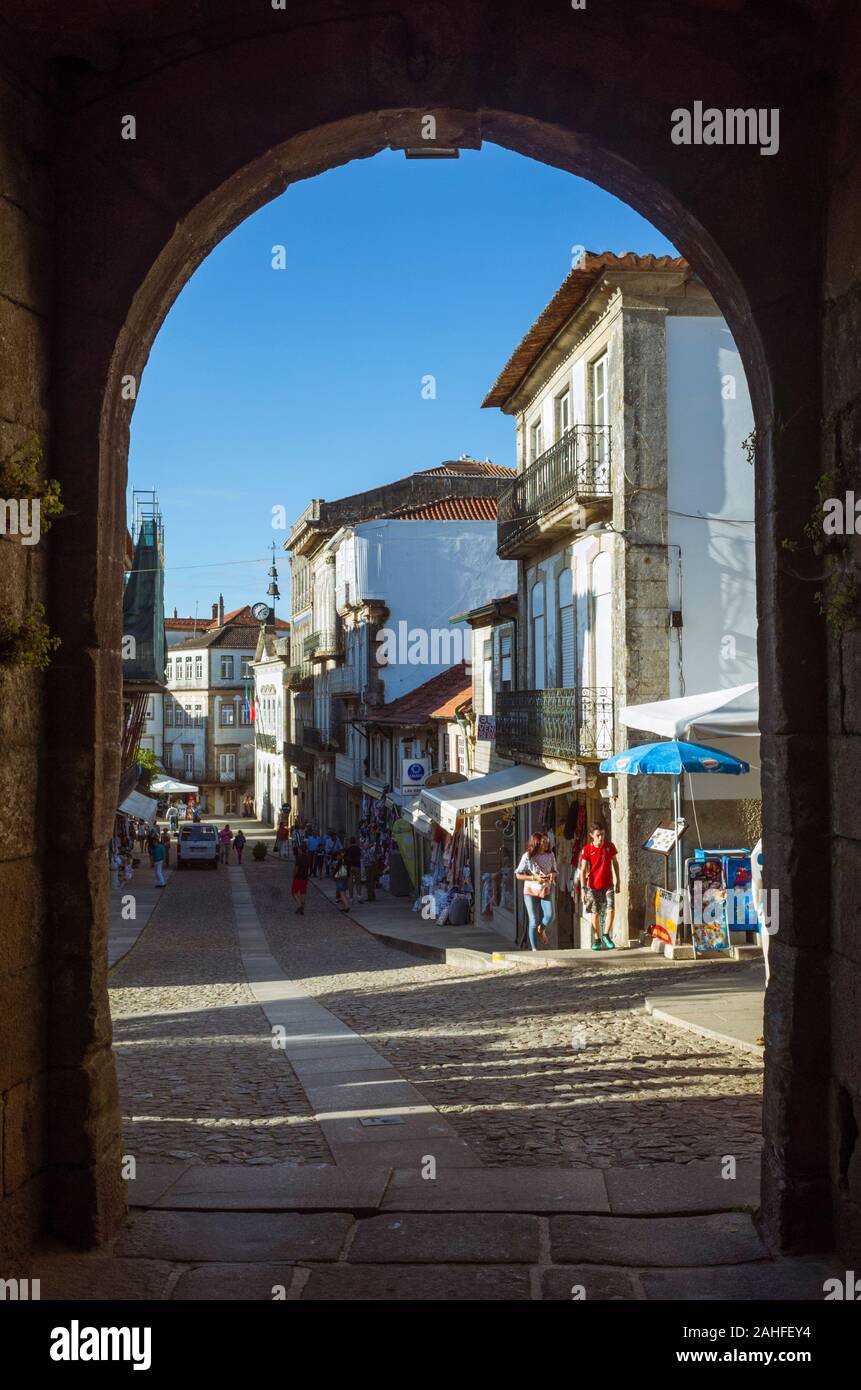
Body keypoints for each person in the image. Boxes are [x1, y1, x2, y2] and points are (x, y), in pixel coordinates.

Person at [579, 823, 620, 950]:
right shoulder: (587, 849)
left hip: (608, 884)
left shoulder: (610, 846)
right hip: (593, 886)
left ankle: (606, 935)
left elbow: (615, 863)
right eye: (598, 835)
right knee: (595, 912)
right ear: (592, 836)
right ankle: (597, 938)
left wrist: (618, 880)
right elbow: (583, 870)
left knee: (611, 908)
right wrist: (583, 889)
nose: (601, 838)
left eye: (602, 834)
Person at [515, 831, 558, 951]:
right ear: (536, 842)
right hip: (530, 890)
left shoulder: (550, 855)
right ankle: (535, 949)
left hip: (545, 889)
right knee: (533, 919)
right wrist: (534, 878)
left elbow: (555, 871)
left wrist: (551, 875)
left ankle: (542, 928)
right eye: (543, 841)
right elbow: (518, 875)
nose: (546, 843)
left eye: (547, 841)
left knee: (550, 916)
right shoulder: (528, 856)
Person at [292, 843, 314, 914]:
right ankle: (302, 910)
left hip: (298, 877)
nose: (298, 850)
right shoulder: (308, 857)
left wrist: (293, 875)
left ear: (300, 850)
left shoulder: (298, 858)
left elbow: (296, 868)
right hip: (305, 878)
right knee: (303, 893)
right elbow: (310, 867)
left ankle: (300, 905)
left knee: (294, 892)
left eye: (299, 849)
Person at [343, 836, 362, 903]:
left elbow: (345, 858)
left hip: (350, 867)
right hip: (357, 866)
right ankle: (359, 896)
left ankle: (351, 898)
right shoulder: (358, 849)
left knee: (350, 883)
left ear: (350, 842)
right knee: (358, 882)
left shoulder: (348, 849)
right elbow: (360, 856)